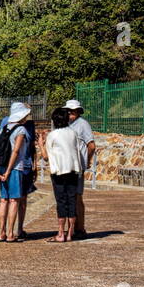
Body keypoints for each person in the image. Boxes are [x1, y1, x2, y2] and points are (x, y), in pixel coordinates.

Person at [0, 101, 33, 242]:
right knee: (14, 200)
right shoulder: (20, 130)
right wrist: (9, 171)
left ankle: (1, 233)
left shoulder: (3, 128)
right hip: (14, 168)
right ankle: (10, 234)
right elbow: (16, 151)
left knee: (3, 200)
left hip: (1, 167)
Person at [45, 107, 82, 243]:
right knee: (72, 200)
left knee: (61, 201)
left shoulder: (52, 135)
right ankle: (70, 233)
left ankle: (61, 233)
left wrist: (40, 144)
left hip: (59, 171)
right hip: (73, 169)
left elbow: (46, 156)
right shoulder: (73, 133)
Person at [64, 99, 96, 239]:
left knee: (77, 197)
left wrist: (87, 160)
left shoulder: (82, 124)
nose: (71, 113)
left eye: (73, 111)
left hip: (77, 166)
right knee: (71, 196)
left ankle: (80, 228)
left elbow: (92, 145)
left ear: (78, 112)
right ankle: (74, 228)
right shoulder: (67, 124)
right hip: (68, 165)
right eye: (69, 111)